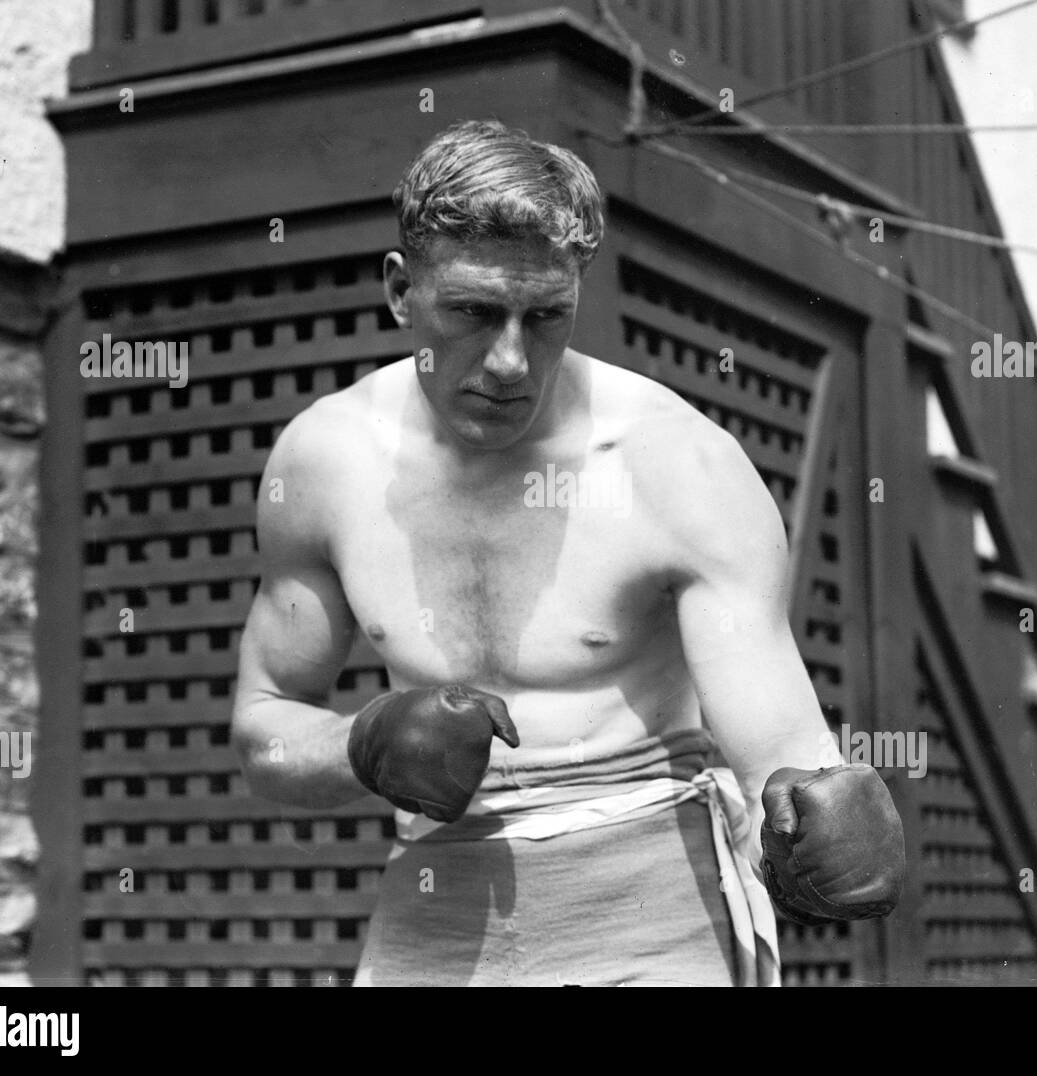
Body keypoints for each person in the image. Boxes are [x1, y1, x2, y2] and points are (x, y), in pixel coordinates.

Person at [231, 119, 904, 987]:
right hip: (438, 900)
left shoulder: (677, 465)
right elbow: (265, 729)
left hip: (651, 895)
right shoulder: (325, 464)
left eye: (545, 316)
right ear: (402, 292)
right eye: (472, 313)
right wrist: (366, 745)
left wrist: (820, 816)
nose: (511, 360)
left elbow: (778, 741)